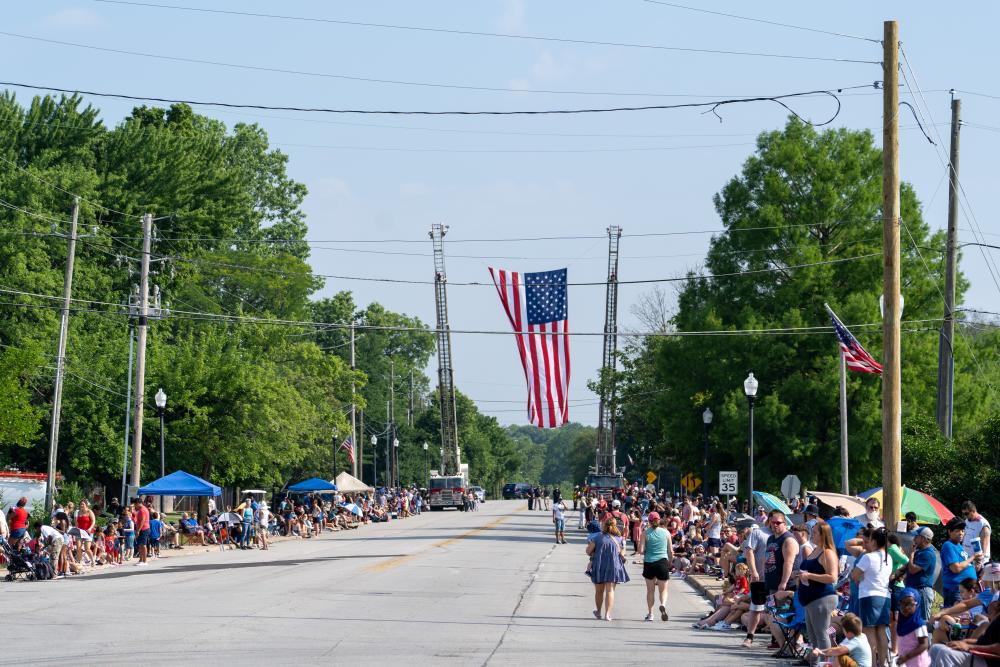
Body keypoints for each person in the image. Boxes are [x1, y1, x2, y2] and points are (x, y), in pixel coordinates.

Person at [743, 511, 798, 649]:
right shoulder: (769, 537)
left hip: (782, 585)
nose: (775, 525)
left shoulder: (788, 539)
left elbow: (789, 562)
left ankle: (786, 645)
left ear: (785, 523)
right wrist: (754, 571)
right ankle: (752, 637)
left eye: (778, 522)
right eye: (773, 522)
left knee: (778, 615)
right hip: (766, 581)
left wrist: (784, 582)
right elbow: (750, 551)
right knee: (765, 611)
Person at [798, 523, 840, 658]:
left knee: (822, 635)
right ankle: (816, 664)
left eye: (815, 532)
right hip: (810, 600)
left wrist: (809, 575)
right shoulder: (815, 550)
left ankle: (825, 663)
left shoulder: (827, 552)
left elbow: (832, 577)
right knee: (813, 637)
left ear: (823, 535)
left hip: (821, 598)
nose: (812, 534)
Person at [853, 527, 893, 667]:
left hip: (869, 596)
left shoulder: (868, 557)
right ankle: (881, 664)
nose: (868, 543)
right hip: (885, 597)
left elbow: (855, 575)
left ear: (874, 541)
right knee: (881, 630)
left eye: (869, 540)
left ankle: (871, 664)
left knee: (869, 630)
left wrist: (862, 577)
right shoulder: (889, 557)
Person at [586, 516, 630, 621]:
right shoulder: (620, 539)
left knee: (599, 591)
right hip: (614, 566)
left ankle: (598, 612)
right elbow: (623, 553)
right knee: (610, 591)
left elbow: (588, 551)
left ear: (604, 525)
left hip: (599, 565)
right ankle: (607, 614)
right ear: (616, 526)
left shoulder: (597, 538)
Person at [942, 516, 982, 607]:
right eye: (957, 531)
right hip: (956, 591)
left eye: (963, 531)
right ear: (949, 531)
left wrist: (975, 563)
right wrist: (973, 557)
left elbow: (965, 565)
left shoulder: (959, 546)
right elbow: (956, 568)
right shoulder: (948, 545)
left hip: (967, 590)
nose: (961, 533)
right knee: (955, 618)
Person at [641, 512, 672, 622]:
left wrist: (646, 550)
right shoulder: (666, 533)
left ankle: (650, 614)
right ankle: (663, 604)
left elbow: (640, 550)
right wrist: (670, 561)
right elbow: (670, 550)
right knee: (663, 590)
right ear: (659, 520)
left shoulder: (645, 533)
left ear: (649, 521)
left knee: (650, 591)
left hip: (649, 562)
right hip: (662, 561)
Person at [905, 527, 941, 620]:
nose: (914, 539)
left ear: (924, 538)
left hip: (922, 591)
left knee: (923, 623)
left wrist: (911, 555)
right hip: (915, 590)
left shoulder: (928, 554)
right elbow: (907, 567)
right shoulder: (919, 552)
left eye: (916, 537)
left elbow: (913, 569)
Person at [894, 588, 931, 667]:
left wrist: (906, 657)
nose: (906, 607)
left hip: (919, 663)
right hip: (908, 662)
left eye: (910, 604)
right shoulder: (901, 623)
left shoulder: (918, 624)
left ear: (917, 604)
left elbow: (924, 645)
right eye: (902, 603)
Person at [132, 497, 150, 565]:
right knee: (140, 545)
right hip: (142, 529)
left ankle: (145, 561)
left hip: (143, 529)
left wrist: (138, 530)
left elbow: (142, 521)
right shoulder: (141, 509)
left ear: (138, 503)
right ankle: (141, 560)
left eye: (135, 504)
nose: (135, 506)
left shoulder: (142, 510)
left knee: (143, 545)